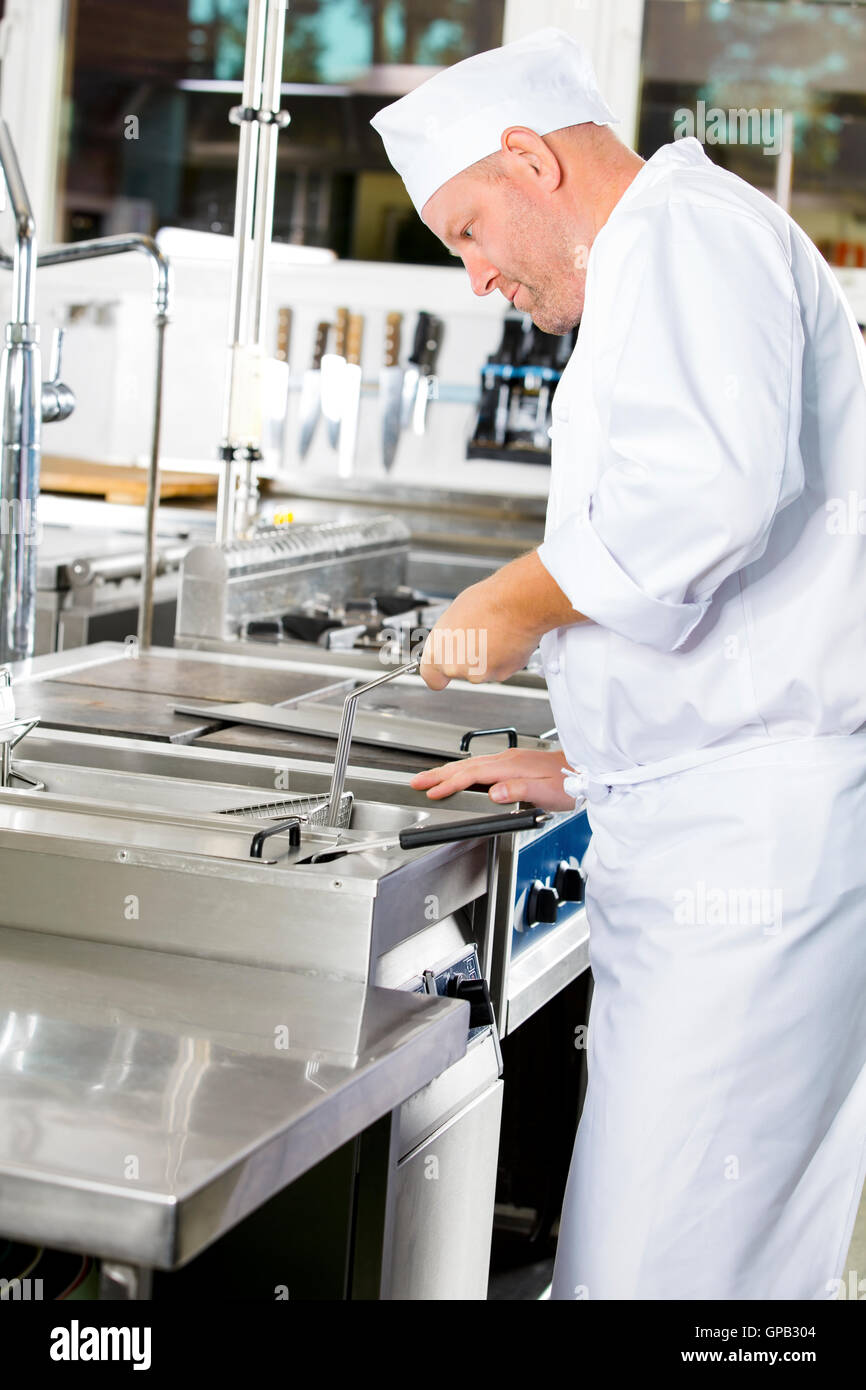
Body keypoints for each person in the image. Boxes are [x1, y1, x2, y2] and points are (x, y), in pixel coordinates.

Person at [370, 27, 866, 1300]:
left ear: (530, 159)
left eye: (470, 231)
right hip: (722, 825)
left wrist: (511, 603)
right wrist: (594, 763)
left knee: (675, 1270)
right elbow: (746, 627)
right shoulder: (667, 251)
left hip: (749, 870)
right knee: (680, 1254)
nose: (476, 276)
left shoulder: (683, 236)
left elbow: (698, 504)